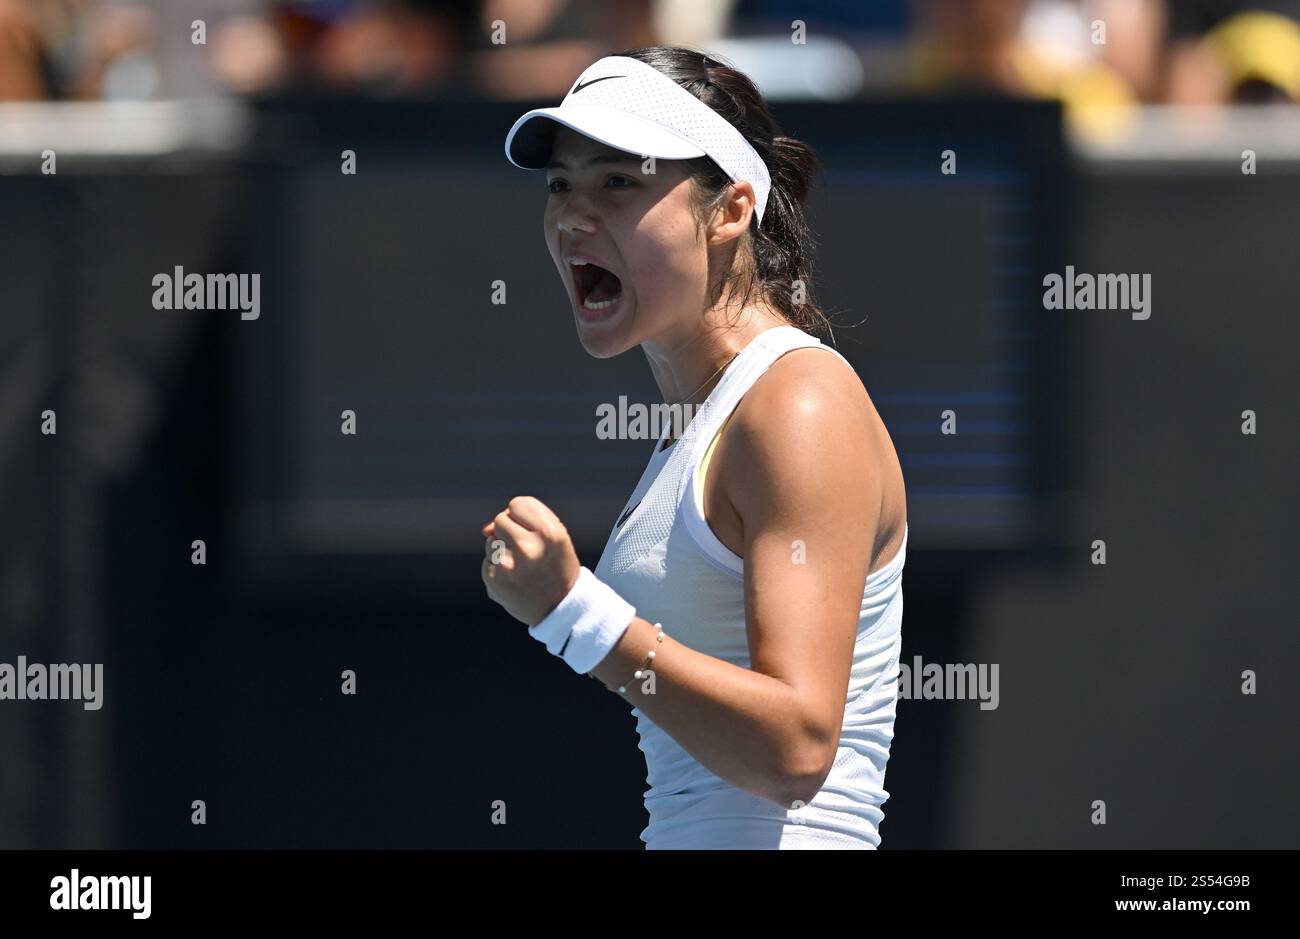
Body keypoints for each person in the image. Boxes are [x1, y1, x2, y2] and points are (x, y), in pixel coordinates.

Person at [482, 46, 908, 849]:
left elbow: (797, 747)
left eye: (618, 182)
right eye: (560, 184)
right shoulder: (703, 423)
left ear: (730, 209)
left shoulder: (797, 403)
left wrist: (577, 612)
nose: (573, 215)